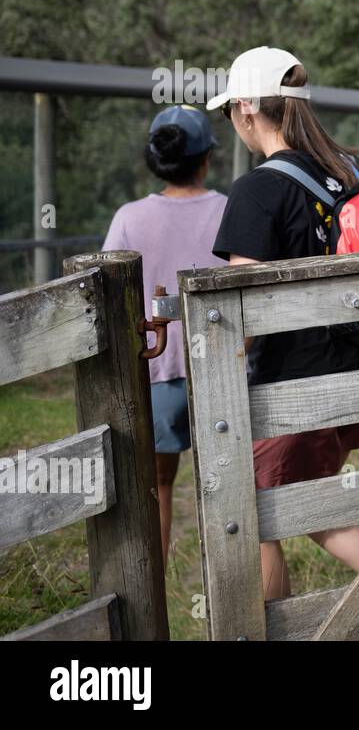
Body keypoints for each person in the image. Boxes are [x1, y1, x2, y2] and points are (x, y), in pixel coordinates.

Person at [205, 45, 359, 600]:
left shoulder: (258, 189)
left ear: (245, 109)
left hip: (293, 386)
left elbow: (243, 315)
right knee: (309, 501)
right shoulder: (353, 173)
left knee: (255, 515)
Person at [102, 105, 228, 558]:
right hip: (222, 371)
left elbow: (108, 297)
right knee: (232, 485)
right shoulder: (230, 211)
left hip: (155, 374)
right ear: (206, 159)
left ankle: (154, 591)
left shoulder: (128, 218)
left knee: (157, 483)